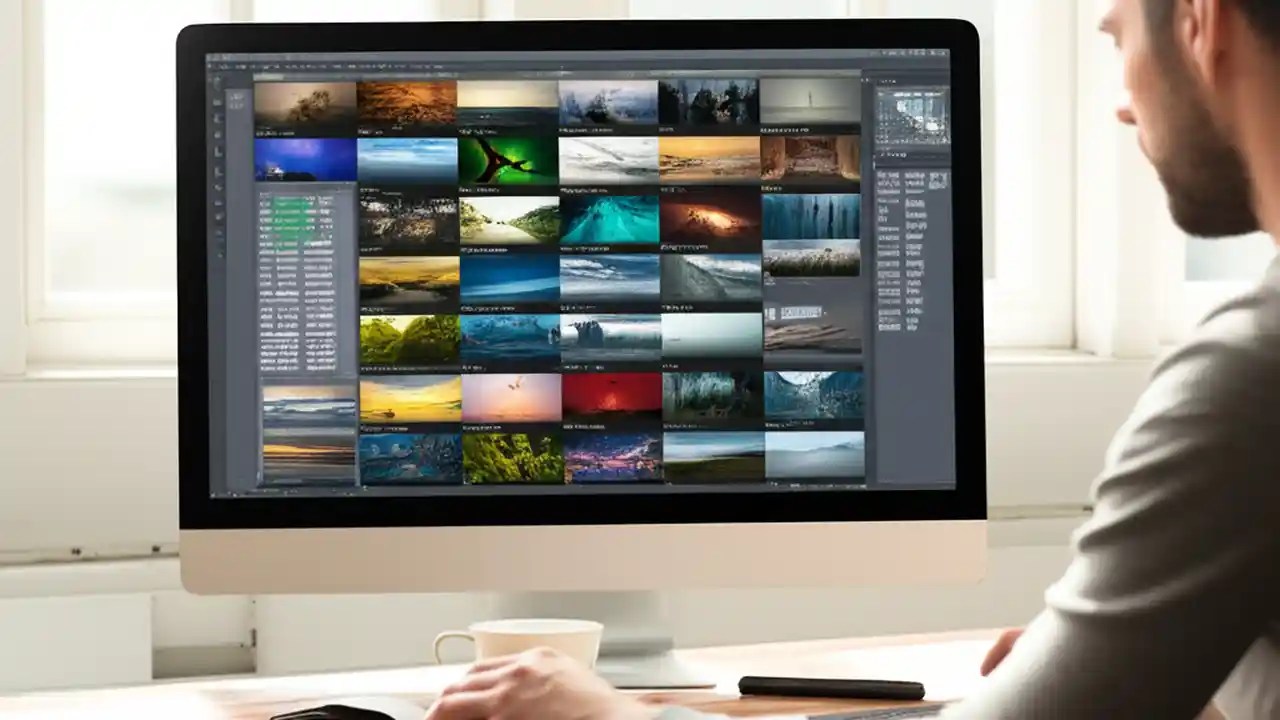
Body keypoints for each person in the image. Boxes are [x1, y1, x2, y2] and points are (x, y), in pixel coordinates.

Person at [424, 0, 1280, 716]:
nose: (1124, 104)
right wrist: (1152, 669)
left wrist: (606, 712)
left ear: (1201, 21)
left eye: (1117, 37)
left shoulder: (1252, 374)